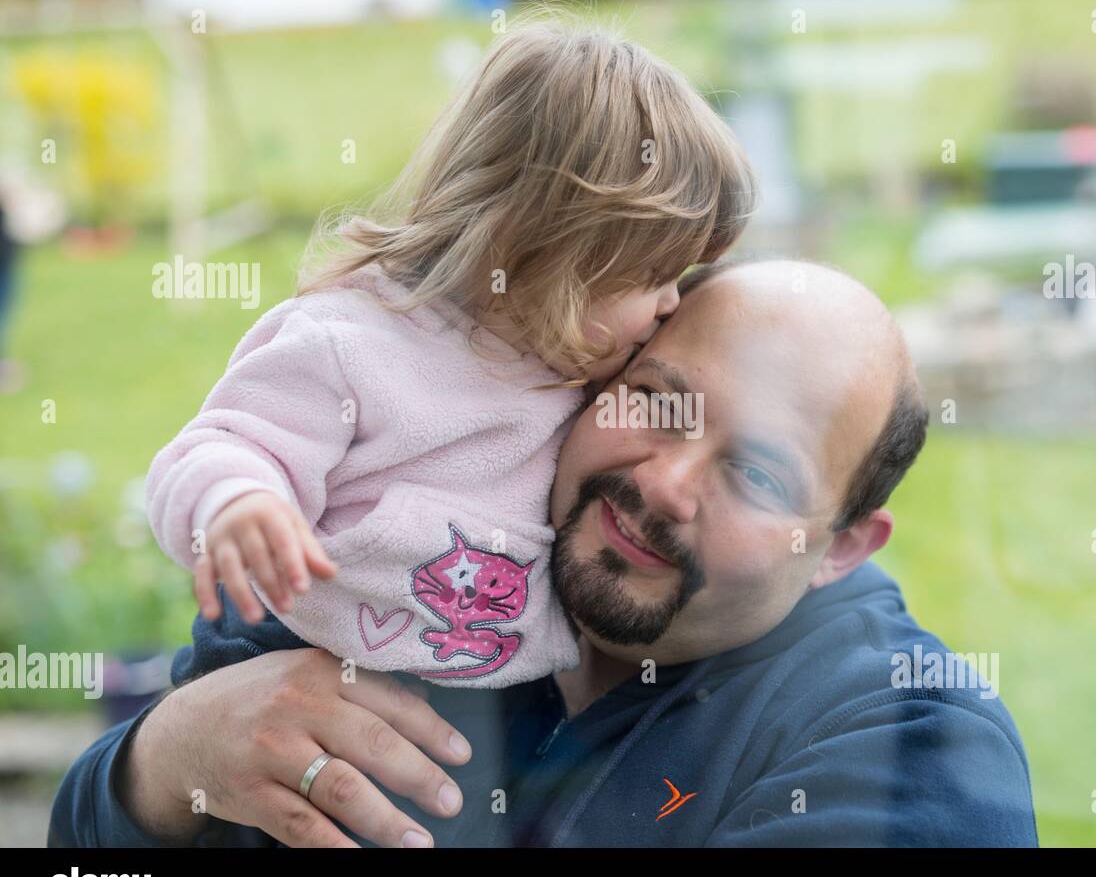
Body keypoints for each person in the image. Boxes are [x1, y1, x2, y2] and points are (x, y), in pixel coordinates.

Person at [50, 259, 1039, 847]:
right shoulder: (386, 561)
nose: (661, 481)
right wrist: (165, 759)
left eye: (760, 476)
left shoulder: (904, 739)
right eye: (654, 400)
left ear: (840, 546)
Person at [141, 12, 755, 694]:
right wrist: (237, 501)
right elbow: (220, 445)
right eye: (653, 276)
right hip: (292, 665)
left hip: (495, 709)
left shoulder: (578, 376)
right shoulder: (351, 346)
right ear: (542, 244)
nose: (672, 303)